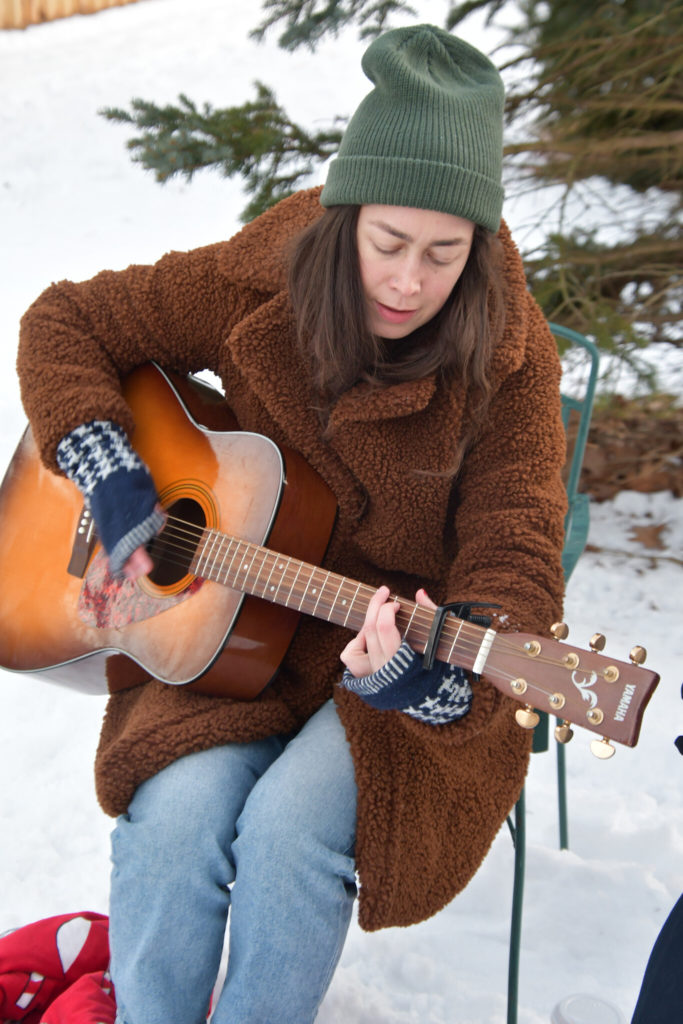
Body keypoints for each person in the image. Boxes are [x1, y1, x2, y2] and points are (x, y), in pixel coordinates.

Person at [16, 24, 567, 1024]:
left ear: (478, 248)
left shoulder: (509, 358)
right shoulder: (262, 278)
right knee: (172, 821)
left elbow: (515, 538)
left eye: (443, 255)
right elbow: (68, 320)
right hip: (229, 623)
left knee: (286, 835)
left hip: (396, 653)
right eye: (386, 243)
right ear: (344, 214)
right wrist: (113, 476)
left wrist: (435, 678)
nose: (407, 280)